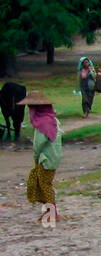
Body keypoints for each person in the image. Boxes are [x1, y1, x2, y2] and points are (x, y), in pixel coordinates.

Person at [26, 95, 61, 223]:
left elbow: (38, 144)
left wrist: (35, 157)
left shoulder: (42, 124)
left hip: (45, 159)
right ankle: (49, 211)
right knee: (44, 184)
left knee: (45, 185)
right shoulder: (53, 120)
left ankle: (52, 213)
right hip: (54, 157)